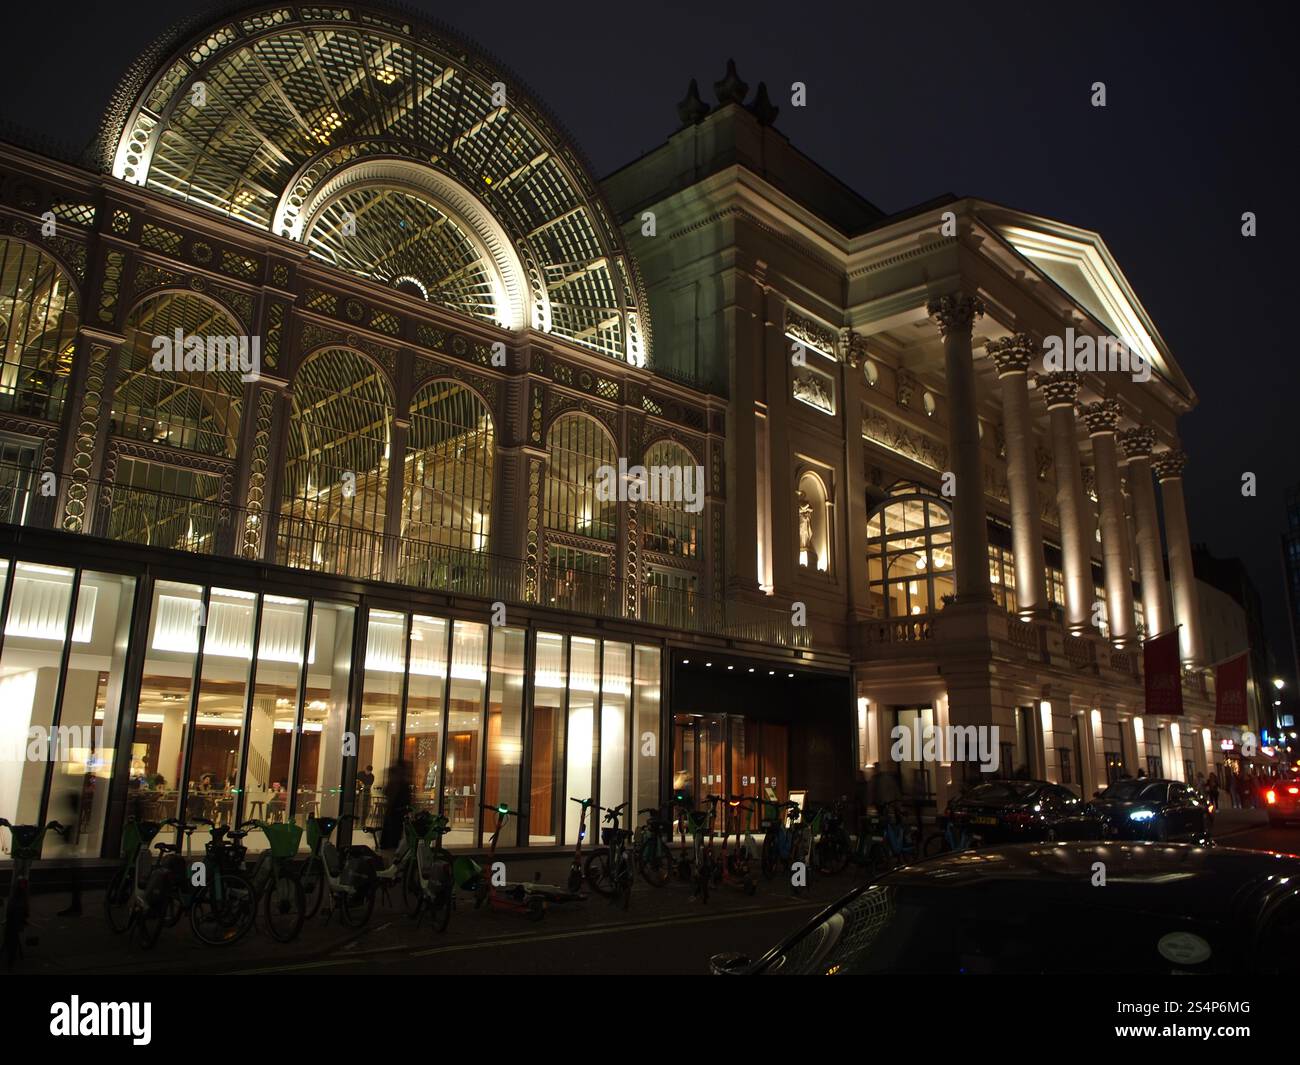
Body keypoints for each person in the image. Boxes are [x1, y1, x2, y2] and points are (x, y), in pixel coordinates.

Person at [379, 760, 411, 851]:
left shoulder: (396, 781)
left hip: (393, 811)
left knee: (392, 834)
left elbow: (387, 792)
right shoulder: (401, 783)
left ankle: (389, 850)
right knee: (394, 834)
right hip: (396, 812)